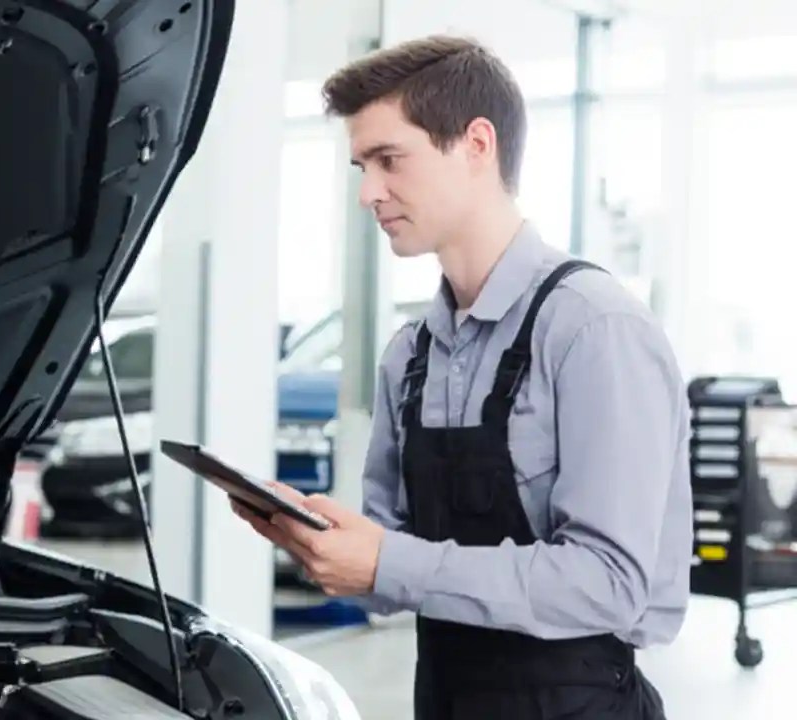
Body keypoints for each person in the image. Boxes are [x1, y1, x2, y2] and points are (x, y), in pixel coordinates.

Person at [232, 34, 691, 719]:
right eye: (361, 165)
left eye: (390, 160)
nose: (368, 194)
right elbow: (392, 576)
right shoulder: (408, 354)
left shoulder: (594, 329)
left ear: (477, 145)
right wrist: (325, 547)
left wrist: (390, 562)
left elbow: (610, 582)